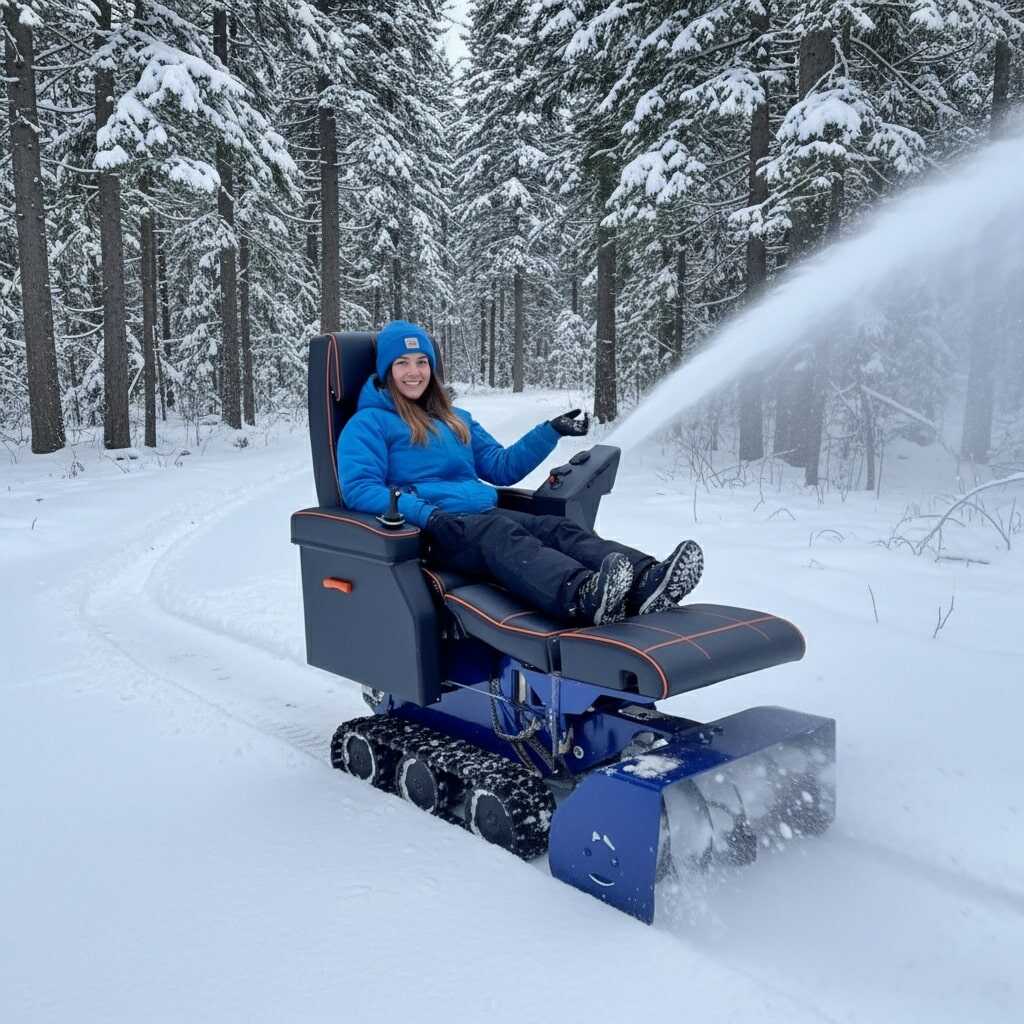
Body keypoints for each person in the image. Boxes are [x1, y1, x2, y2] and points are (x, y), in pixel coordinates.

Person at [338, 320, 703, 625]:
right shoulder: (369, 423)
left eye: (421, 361)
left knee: (555, 528)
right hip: (432, 532)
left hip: (478, 517)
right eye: (402, 362)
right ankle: (581, 596)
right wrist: (426, 514)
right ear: (386, 370)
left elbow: (501, 466)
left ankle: (646, 581)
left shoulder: (456, 420)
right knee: (501, 531)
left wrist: (550, 431)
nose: (414, 372)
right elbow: (359, 488)